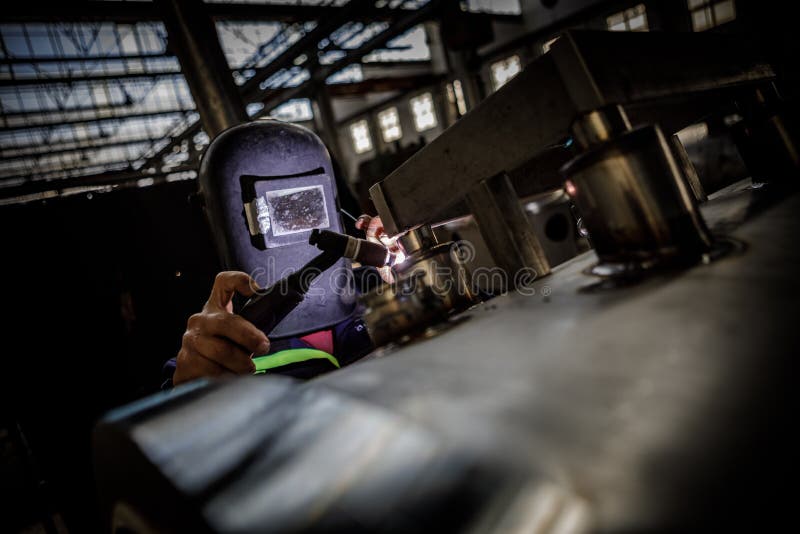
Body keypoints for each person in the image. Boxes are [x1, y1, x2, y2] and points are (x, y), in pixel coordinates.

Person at [165, 214, 395, 386]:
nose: (294, 219)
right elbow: (173, 420)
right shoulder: (217, 347)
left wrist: (407, 251)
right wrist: (192, 385)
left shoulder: (376, 287)